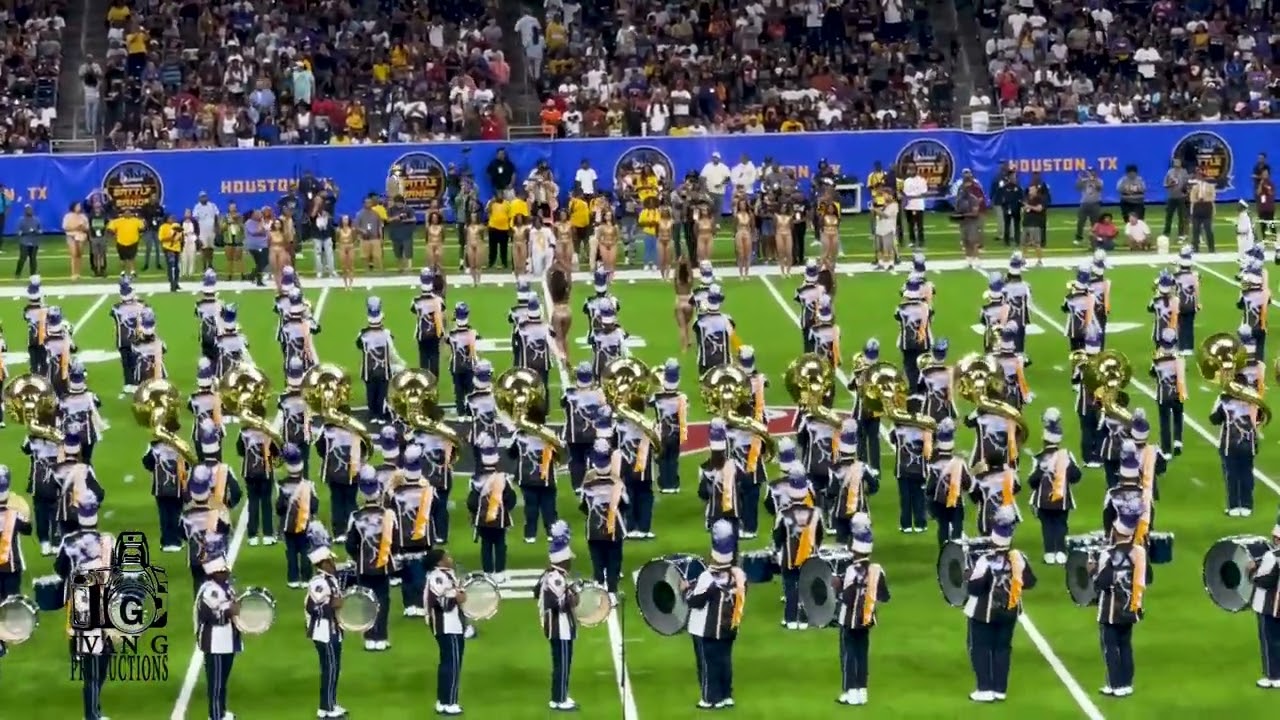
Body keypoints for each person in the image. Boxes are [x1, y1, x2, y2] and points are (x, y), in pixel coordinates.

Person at [964, 505, 1036, 702]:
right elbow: (1030, 582)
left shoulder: (984, 560)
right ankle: (1000, 689)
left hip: (983, 613)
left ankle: (984, 689)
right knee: (1003, 649)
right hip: (1009, 611)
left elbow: (975, 589)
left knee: (980, 648)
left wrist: (969, 576)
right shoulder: (1018, 557)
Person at [55, 495, 113, 720]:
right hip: (100, 606)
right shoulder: (107, 541)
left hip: (81, 605)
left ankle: (93, 710)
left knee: (97, 660)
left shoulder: (69, 541)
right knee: (97, 664)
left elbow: (60, 569)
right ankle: (91, 714)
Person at [684, 518, 746, 709]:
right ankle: (726, 695)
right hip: (729, 627)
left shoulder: (706, 577)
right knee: (724, 662)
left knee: (707, 665)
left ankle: (710, 698)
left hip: (706, 630)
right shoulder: (739, 576)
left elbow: (694, 601)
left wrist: (685, 589)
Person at [1092, 496, 1147, 697]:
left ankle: (1115, 684)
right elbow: (1148, 577)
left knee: (1110, 647)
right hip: (1131, 606)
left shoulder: (1107, 554)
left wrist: (1092, 570)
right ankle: (1126, 683)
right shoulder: (1139, 553)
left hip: (1110, 609)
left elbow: (1102, 583)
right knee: (1125, 645)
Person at [833, 513, 889, 705]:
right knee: (862, 655)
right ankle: (862, 691)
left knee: (849, 655)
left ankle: (850, 692)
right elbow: (885, 596)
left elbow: (847, 598)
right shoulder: (877, 570)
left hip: (849, 620)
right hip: (867, 619)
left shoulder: (851, 571)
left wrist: (838, 586)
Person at [346, 467, 395, 651]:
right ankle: (380, 637)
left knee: (367, 600)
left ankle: (369, 637)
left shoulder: (355, 517)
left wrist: (359, 558)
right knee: (383, 600)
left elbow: (350, 545)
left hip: (363, 567)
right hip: (383, 566)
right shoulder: (389, 516)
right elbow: (395, 542)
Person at [195, 532, 243, 720]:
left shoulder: (226, 588)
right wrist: (230, 611)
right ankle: (215, 715)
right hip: (215, 642)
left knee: (222, 681)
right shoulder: (209, 591)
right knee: (215, 683)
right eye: (223, 570)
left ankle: (221, 712)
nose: (227, 572)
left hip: (228, 640)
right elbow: (207, 616)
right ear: (214, 573)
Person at [304, 522, 348, 719]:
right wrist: (333, 605)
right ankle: (326, 708)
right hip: (324, 632)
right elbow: (313, 608)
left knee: (334, 668)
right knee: (330, 669)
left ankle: (330, 703)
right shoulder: (319, 583)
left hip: (333, 630)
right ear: (322, 563)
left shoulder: (330, 580)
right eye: (330, 561)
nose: (333, 564)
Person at [1027, 409, 1081, 565]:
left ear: (1044, 440)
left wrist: (1042, 470)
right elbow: (1076, 477)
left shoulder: (1038, 457)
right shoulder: (1067, 456)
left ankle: (1050, 553)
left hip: (1043, 500)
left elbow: (1032, 482)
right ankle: (1061, 552)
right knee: (1061, 525)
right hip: (1062, 499)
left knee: (1047, 526)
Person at [535, 520, 579, 711]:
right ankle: (559, 699)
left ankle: (559, 696)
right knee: (562, 664)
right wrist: (572, 596)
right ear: (563, 561)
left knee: (562, 663)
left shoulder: (551, 575)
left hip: (559, 628)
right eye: (568, 559)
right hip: (559, 628)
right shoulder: (556, 578)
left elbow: (536, 591)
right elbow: (556, 603)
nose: (570, 562)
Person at [580, 438, 627, 602]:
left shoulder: (588, 479)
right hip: (614, 529)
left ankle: (599, 590)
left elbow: (583, 505)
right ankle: (612, 592)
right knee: (614, 561)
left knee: (597, 561)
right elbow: (625, 503)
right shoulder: (616, 481)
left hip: (593, 528)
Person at [425, 547, 468, 716]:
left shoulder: (447, 575)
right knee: (453, 664)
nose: (450, 558)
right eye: (447, 556)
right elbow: (440, 602)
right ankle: (450, 702)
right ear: (439, 562)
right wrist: (457, 598)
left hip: (453, 625)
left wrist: (459, 593)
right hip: (447, 626)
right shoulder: (438, 576)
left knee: (448, 663)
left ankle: (443, 701)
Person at [1246, 512, 1280, 688]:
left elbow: (1265, 580)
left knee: (1269, 641)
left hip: (1269, 606)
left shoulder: (1272, 557)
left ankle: (1273, 676)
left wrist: (1252, 573)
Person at [0, 467, 32, 600]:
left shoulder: (15, 506)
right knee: (12, 604)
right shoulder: (16, 506)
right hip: (11, 564)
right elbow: (27, 529)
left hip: (12, 564)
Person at [14, 205, 41, 277]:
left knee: (32, 259)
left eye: (30, 210)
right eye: (28, 210)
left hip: (33, 242)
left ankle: (32, 274)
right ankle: (18, 273)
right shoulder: (21, 220)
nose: (29, 212)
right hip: (25, 242)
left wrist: (35, 231)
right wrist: (24, 232)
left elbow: (40, 231)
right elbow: (19, 232)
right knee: (23, 258)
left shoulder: (36, 220)